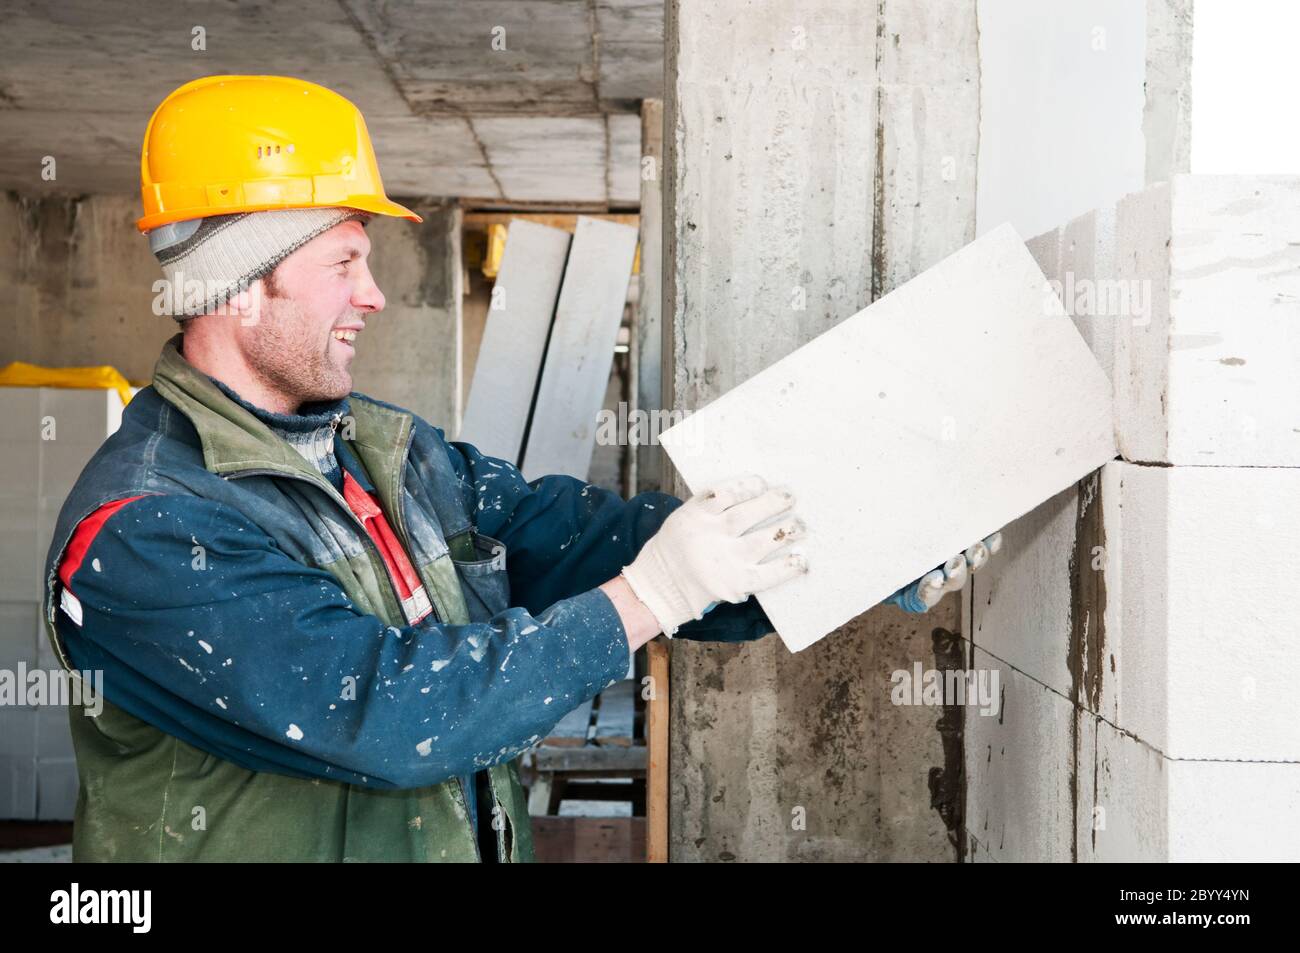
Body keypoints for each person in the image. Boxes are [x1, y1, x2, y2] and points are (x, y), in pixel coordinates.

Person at [41, 75, 998, 862]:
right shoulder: (144, 528)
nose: (374, 295)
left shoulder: (388, 452)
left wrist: (858, 545)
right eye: (343, 262)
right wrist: (647, 599)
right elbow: (383, 709)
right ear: (242, 290)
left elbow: (578, 540)